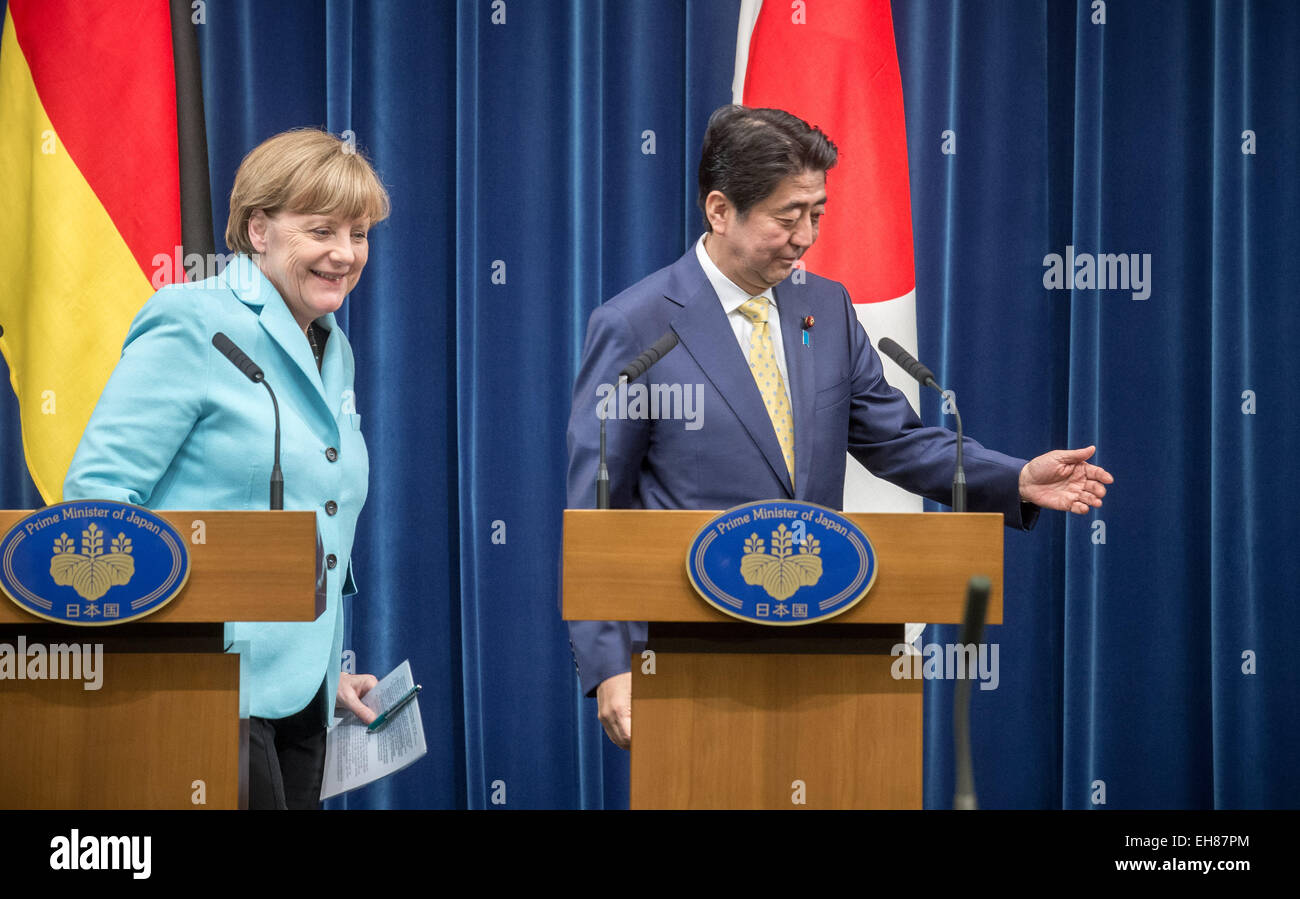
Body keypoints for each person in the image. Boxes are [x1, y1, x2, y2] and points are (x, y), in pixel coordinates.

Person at [566, 105, 1113, 750]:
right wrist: (611, 667)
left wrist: (1016, 478)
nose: (805, 236)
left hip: (830, 641)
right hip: (693, 655)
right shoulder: (635, 326)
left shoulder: (825, 307)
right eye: (786, 216)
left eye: (816, 214)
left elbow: (896, 441)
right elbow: (597, 507)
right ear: (719, 210)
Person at [63, 128, 390, 809]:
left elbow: (316, 515)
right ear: (258, 228)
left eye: (358, 233)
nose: (344, 253)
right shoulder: (192, 321)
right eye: (322, 229)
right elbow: (96, 500)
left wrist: (321, 673)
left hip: (301, 700)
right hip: (200, 685)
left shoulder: (333, 346)